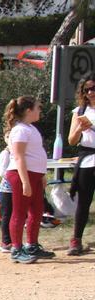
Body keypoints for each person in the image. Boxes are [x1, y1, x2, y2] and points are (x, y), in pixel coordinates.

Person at [4, 95, 52, 263]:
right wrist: (25, 182)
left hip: (34, 175)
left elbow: (35, 154)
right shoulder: (20, 130)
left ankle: (32, 245)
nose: (40, 110)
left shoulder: (30, 128)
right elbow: (19, 157)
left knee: (37, 210)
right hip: (21, 175)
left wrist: (42, 175)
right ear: (28, 110)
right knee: (19, 212)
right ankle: (16, 249)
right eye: (37, 107)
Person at [66, 77, 95, 256]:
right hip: (87, 160)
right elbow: (71, 140)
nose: (91, 93)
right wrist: (80, 129)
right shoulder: (80, 111)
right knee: (83, 202)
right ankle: (76, 240)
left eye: (93, 88)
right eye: (87, 90)